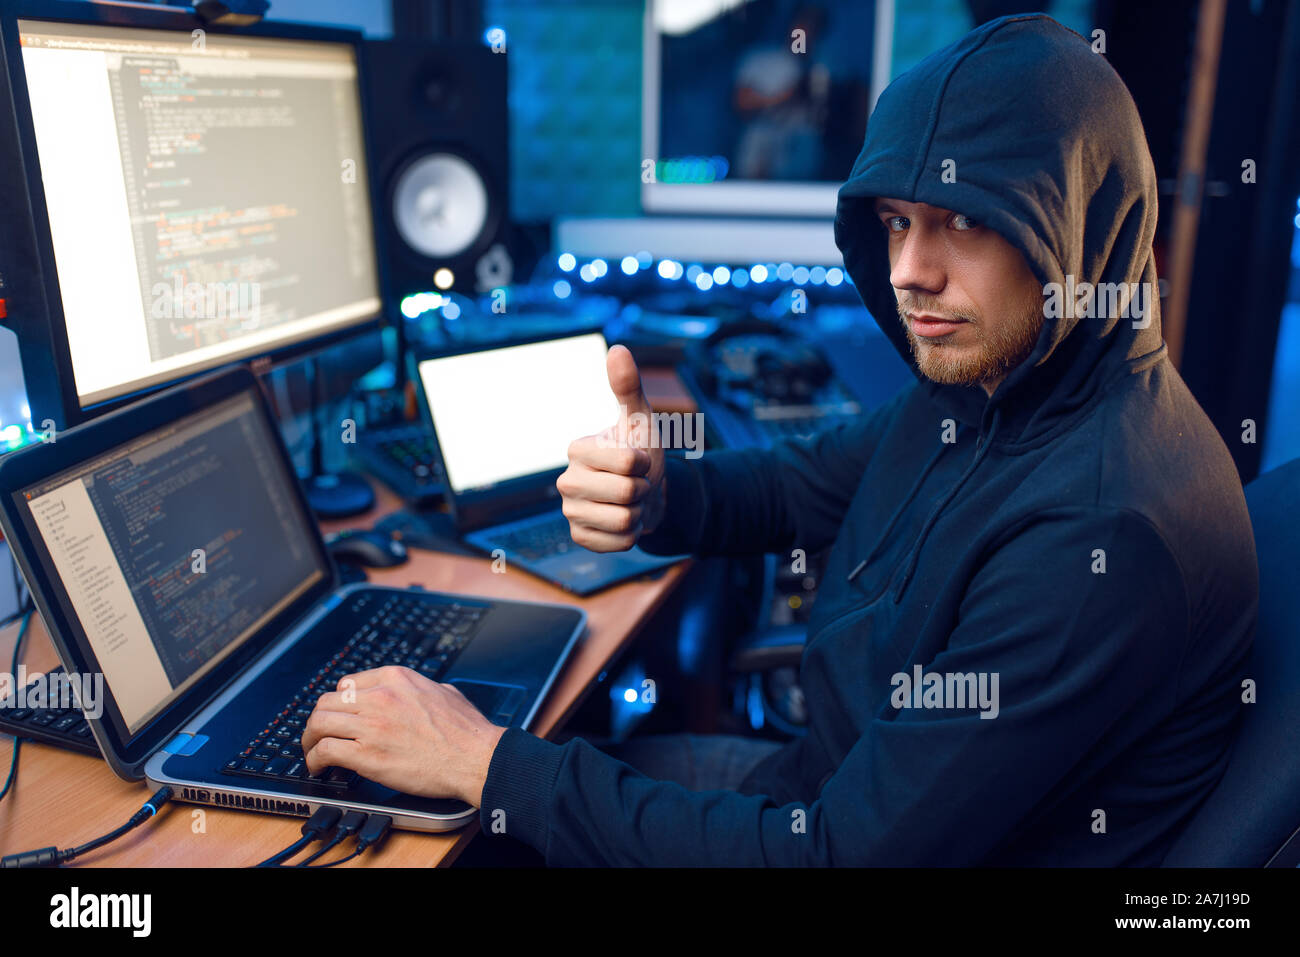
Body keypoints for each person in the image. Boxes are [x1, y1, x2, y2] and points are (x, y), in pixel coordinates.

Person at [301, 14, 1257, 865]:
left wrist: (484, 760)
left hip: (836, 830)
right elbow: (807, 483)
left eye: (966, 222)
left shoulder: (1098, 530)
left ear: (1081, 230)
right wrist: (661, 493)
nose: (912, 273)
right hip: (827, 784)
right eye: (895, 222)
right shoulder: (1000, 375)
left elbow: (847, 853)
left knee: (481, 833)